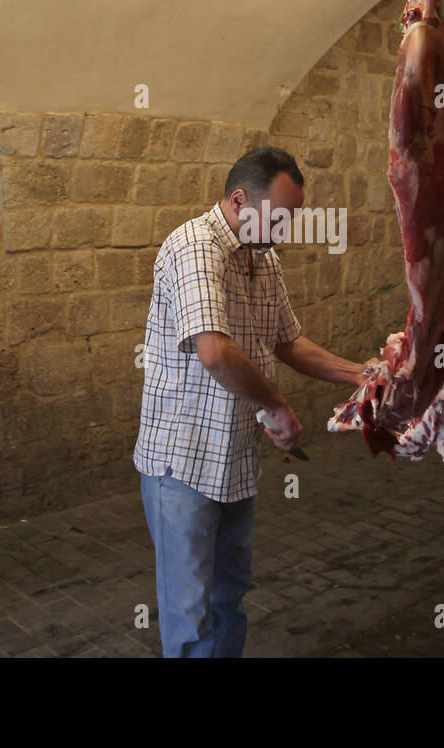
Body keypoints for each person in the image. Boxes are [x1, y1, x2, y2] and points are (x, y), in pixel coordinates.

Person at [134, 146, 367, 657]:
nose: (283, 231)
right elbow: (214, 352)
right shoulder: (194, 247)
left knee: (230, 596)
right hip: (184, 461)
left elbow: (288, 341)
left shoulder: (261, 257)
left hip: (234, 458)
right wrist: (278, 404)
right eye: (278, 218)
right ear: (240, 200)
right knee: (190, 611)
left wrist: (363, 374)